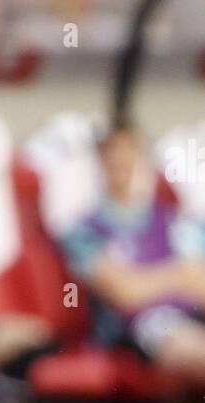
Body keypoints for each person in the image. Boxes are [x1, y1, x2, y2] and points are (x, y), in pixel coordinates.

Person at [64, 126, 205, 377]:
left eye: (131, 156)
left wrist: (148, 280)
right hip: (133, 332)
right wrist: (180, 275)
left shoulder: (175, 221)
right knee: (187, 344)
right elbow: (122, 292)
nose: (123, 167)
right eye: (114, 158)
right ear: (99, 164)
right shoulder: (83, 231)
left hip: (191, 319)